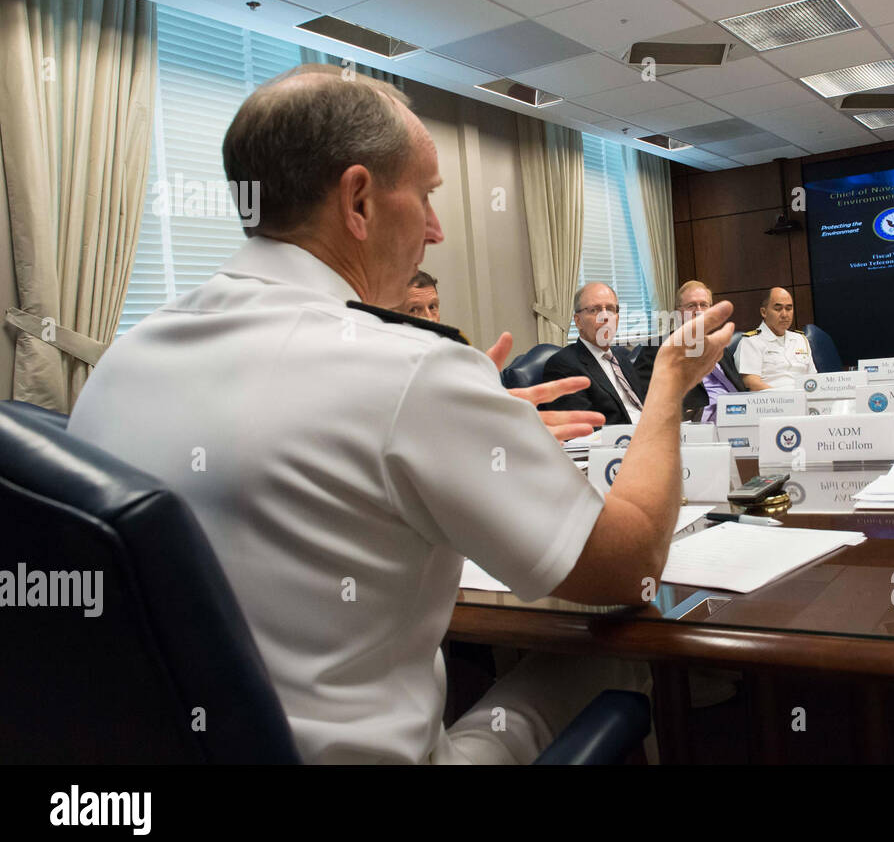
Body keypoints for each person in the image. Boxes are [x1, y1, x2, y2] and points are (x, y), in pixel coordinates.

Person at [68, 65, 736, 764]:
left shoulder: (122, 360)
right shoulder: (408, 367)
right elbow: (627, 568)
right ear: (358, 200)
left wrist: (476, 433)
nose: (437, 230)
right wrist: (667, 385)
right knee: (612, 659)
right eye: (425, 195)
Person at [634, 280, 746, 422]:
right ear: (678, 313)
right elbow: (645, 396)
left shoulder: (719, 345)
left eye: (704, 305)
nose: (698, 311)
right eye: (691, 306)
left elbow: (739, 387)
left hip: (740, 417)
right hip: (697, 424)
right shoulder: (658, 348)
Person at [540, 282, 649, 426]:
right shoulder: (562, 366)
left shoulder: (622, 359)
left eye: (610, 309)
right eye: (594, 310)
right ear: (578, 321)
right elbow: (582, 431)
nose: (605, 317)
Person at [734, 287, 815, 391]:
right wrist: (789, 399)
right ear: (764, 312)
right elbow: (752, 383)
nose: (785, 314)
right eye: (778, 309)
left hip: (805, 399)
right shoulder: (751, 342)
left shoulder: (800, 339)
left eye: (789, 309)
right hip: (772, 403)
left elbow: (813, 378)